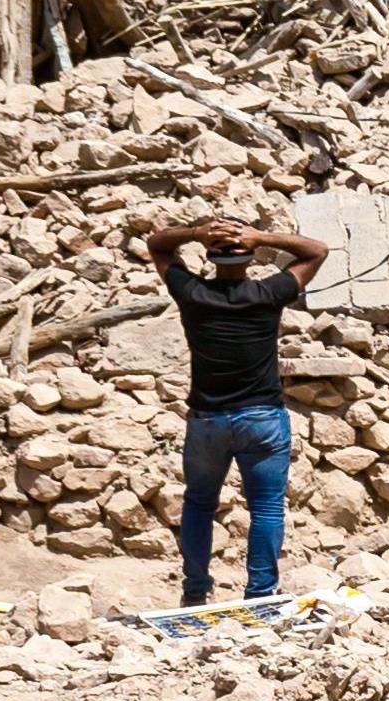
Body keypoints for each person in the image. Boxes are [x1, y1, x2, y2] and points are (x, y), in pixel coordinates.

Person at [140, 214, 327, 608]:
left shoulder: (191, 293)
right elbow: (317, 250)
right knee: (267, 507)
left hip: (207, 420)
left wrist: (194, 232)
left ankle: (195, 591)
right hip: (262, 419)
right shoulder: (268, 294)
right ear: (250, 259)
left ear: (209, 257)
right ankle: (260, 594)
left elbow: (158, 244)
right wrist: (261, 236)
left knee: (198, 504)